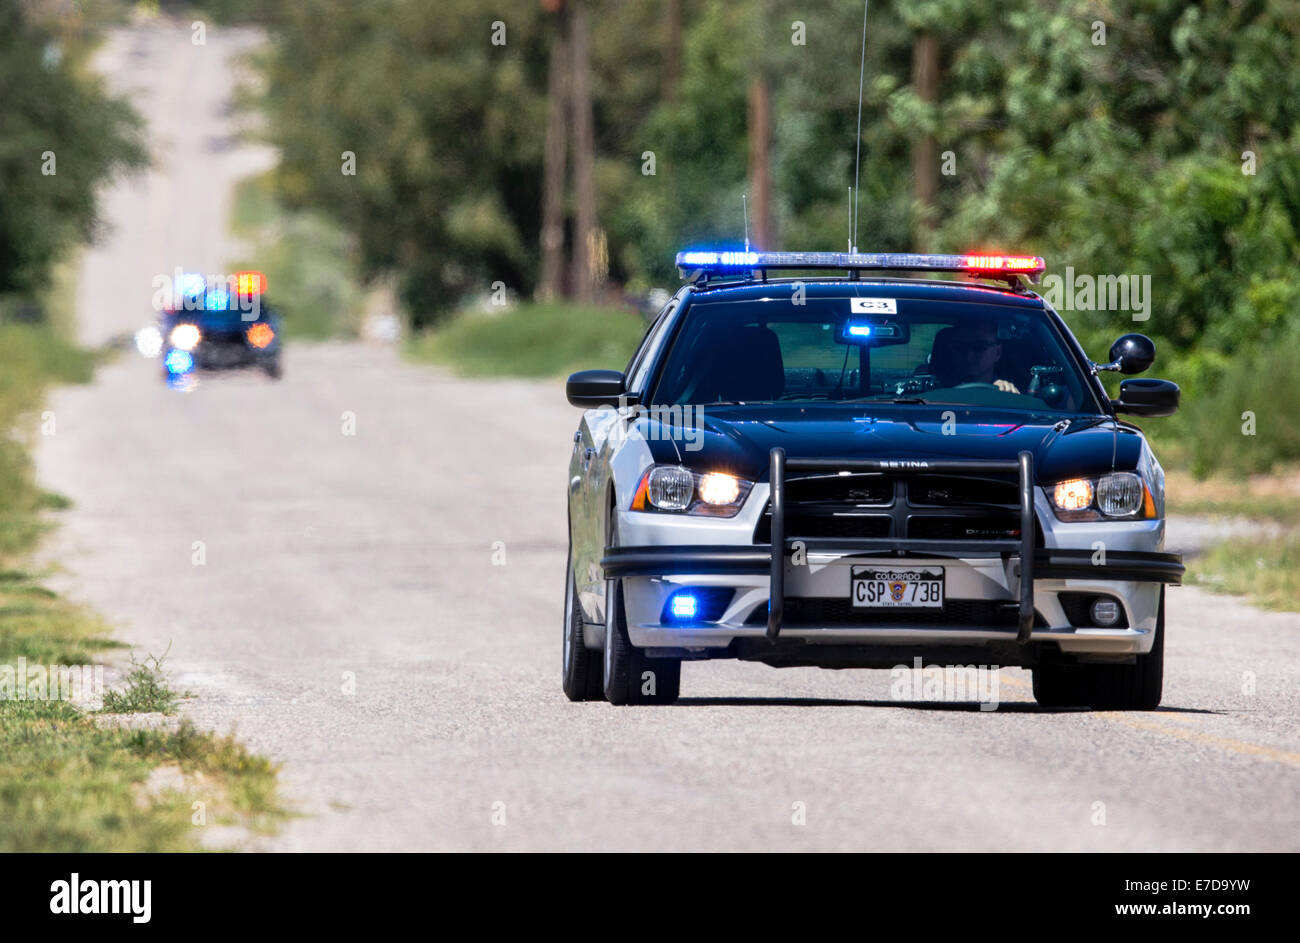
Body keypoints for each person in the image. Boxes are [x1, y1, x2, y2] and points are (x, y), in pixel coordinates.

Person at [946, 321, 1020, 393]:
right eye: (960, 347)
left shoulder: (1006, 392)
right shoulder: (937, 390)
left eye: (980, 347)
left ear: (998, 353)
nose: (969, 356)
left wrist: (1009, 396)